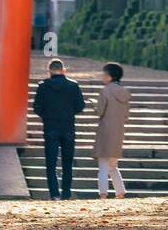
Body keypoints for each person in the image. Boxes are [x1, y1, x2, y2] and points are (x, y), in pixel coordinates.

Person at [32, 59, 85, 200]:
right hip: (68, 126)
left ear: (49, 70)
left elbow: (37, 107)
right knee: (67, 162)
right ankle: (66, 193)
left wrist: (46, 115)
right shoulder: (73, 86)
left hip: (50, 126)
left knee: (51, 162)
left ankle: (54, 194)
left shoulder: (43, 86)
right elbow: (80, 106)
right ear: (63, 70)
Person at [94, 62, 130, 200]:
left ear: (109, 77)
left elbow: (100, 111)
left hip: (105, 131)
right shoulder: (125, 92)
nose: (102, 77)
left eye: (104, 74)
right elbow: (126, 115)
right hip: (119, 131)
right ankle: (120, 192)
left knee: (103, 164)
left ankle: (103, 193)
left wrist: (94, 105)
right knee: (113, 165)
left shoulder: (105, 91)